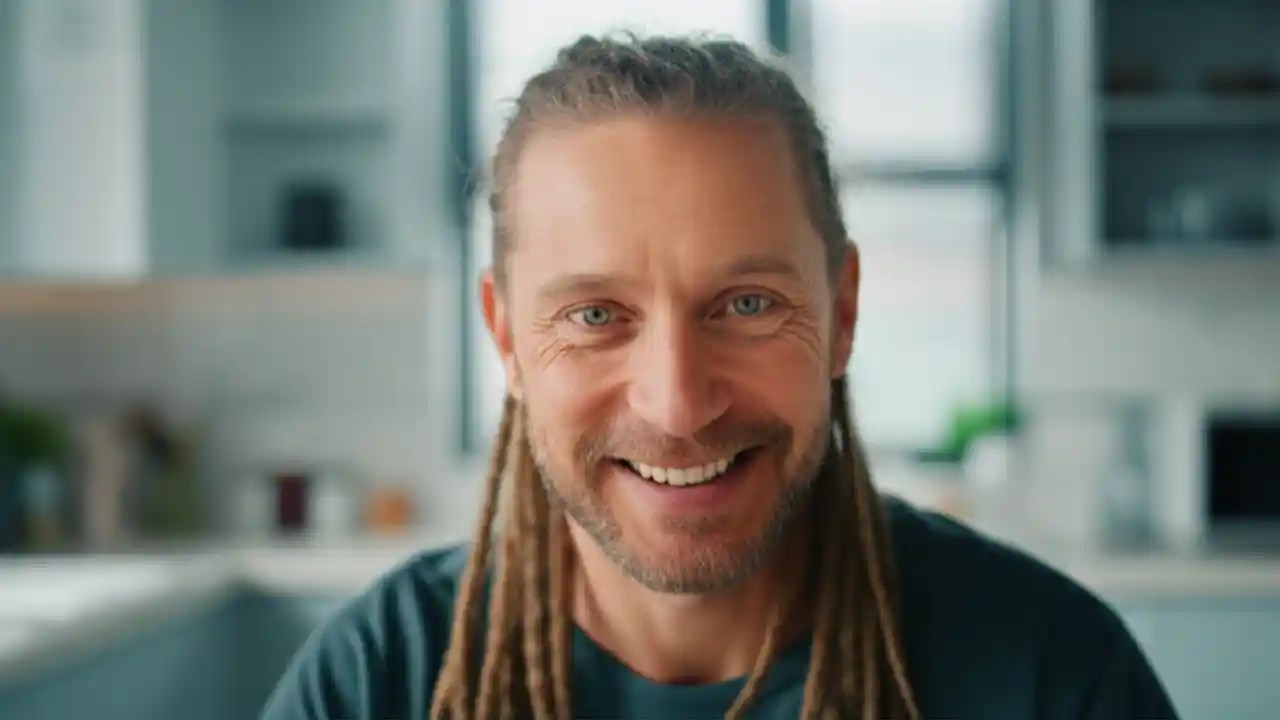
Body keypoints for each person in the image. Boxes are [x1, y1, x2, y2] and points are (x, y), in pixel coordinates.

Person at [262, 34, 1177, 719]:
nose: (679, 401)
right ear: (505, 337)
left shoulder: (1053, 675)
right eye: (594, 316)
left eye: (744, 305)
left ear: (842, 312)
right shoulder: (378, 682)